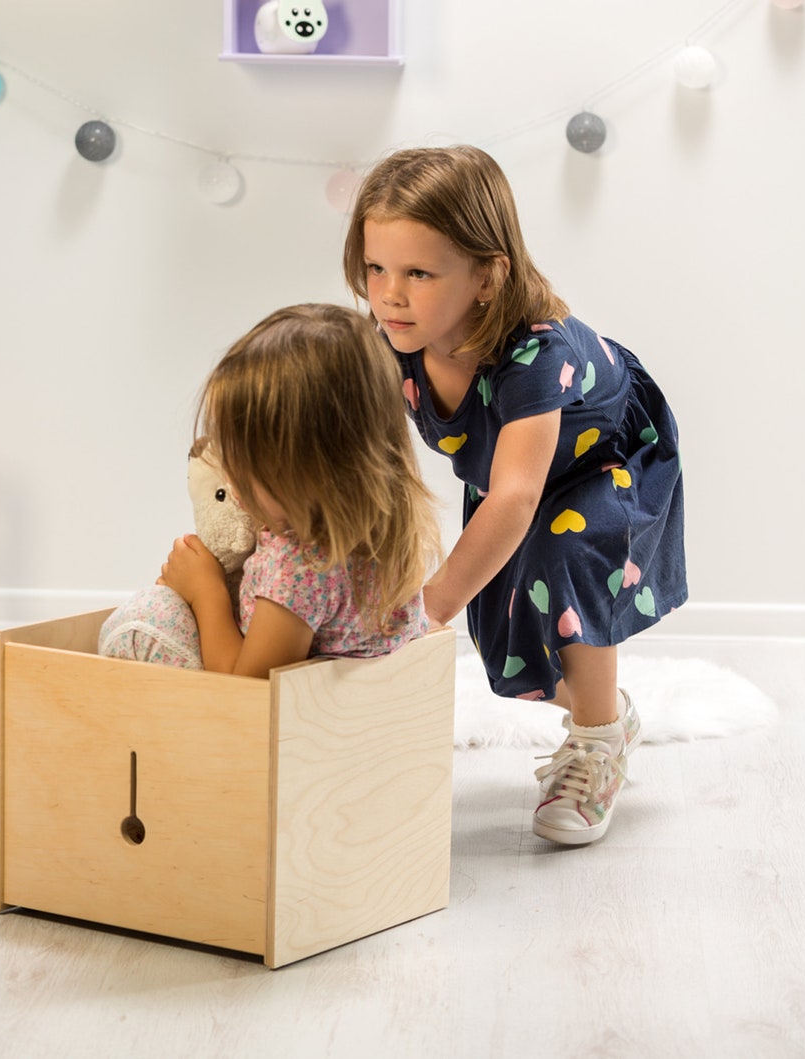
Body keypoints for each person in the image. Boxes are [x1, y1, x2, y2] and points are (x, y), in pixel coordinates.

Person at [343, 144, 687, 846]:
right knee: (506, 643)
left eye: (418, 273)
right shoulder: (398, 340)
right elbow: (374, 458)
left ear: (487, 276)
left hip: (601, 462)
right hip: (511, 474)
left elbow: (516, 497)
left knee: (563, 559)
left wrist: (430, 607)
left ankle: (597, 741)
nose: (390, 293)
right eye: (376, 268)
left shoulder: (534, 353)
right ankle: (607, 710)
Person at [100, 303, 437, 680]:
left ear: (313, 473)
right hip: (367, 694)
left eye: (247, 464)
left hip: (279, 710)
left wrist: (206, 590)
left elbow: (247, 687)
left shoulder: (297, 568)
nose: (232, 476)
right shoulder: (385, 531)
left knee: (144, 621)